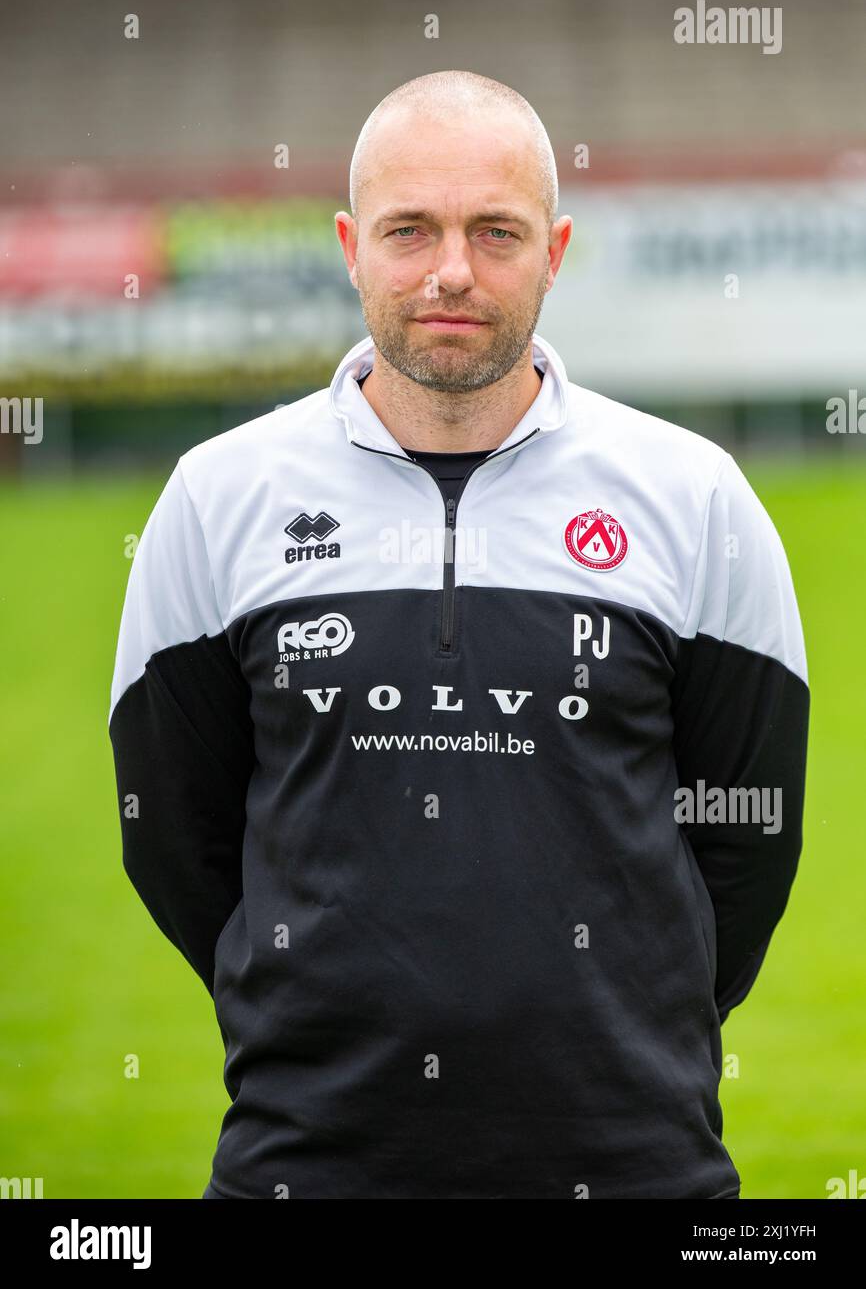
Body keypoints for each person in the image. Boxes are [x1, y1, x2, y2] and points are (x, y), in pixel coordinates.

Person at [108, 70, 809, 1200]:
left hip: (634, 1165)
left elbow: (747, 835)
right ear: (349, 244)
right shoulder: (216, 496)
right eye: (408, 230)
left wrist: (620, 1011)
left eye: (494, 231)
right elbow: (175, 836)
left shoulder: (694, 498)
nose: (449, 270)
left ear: (555, 248)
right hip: (308, 1161)